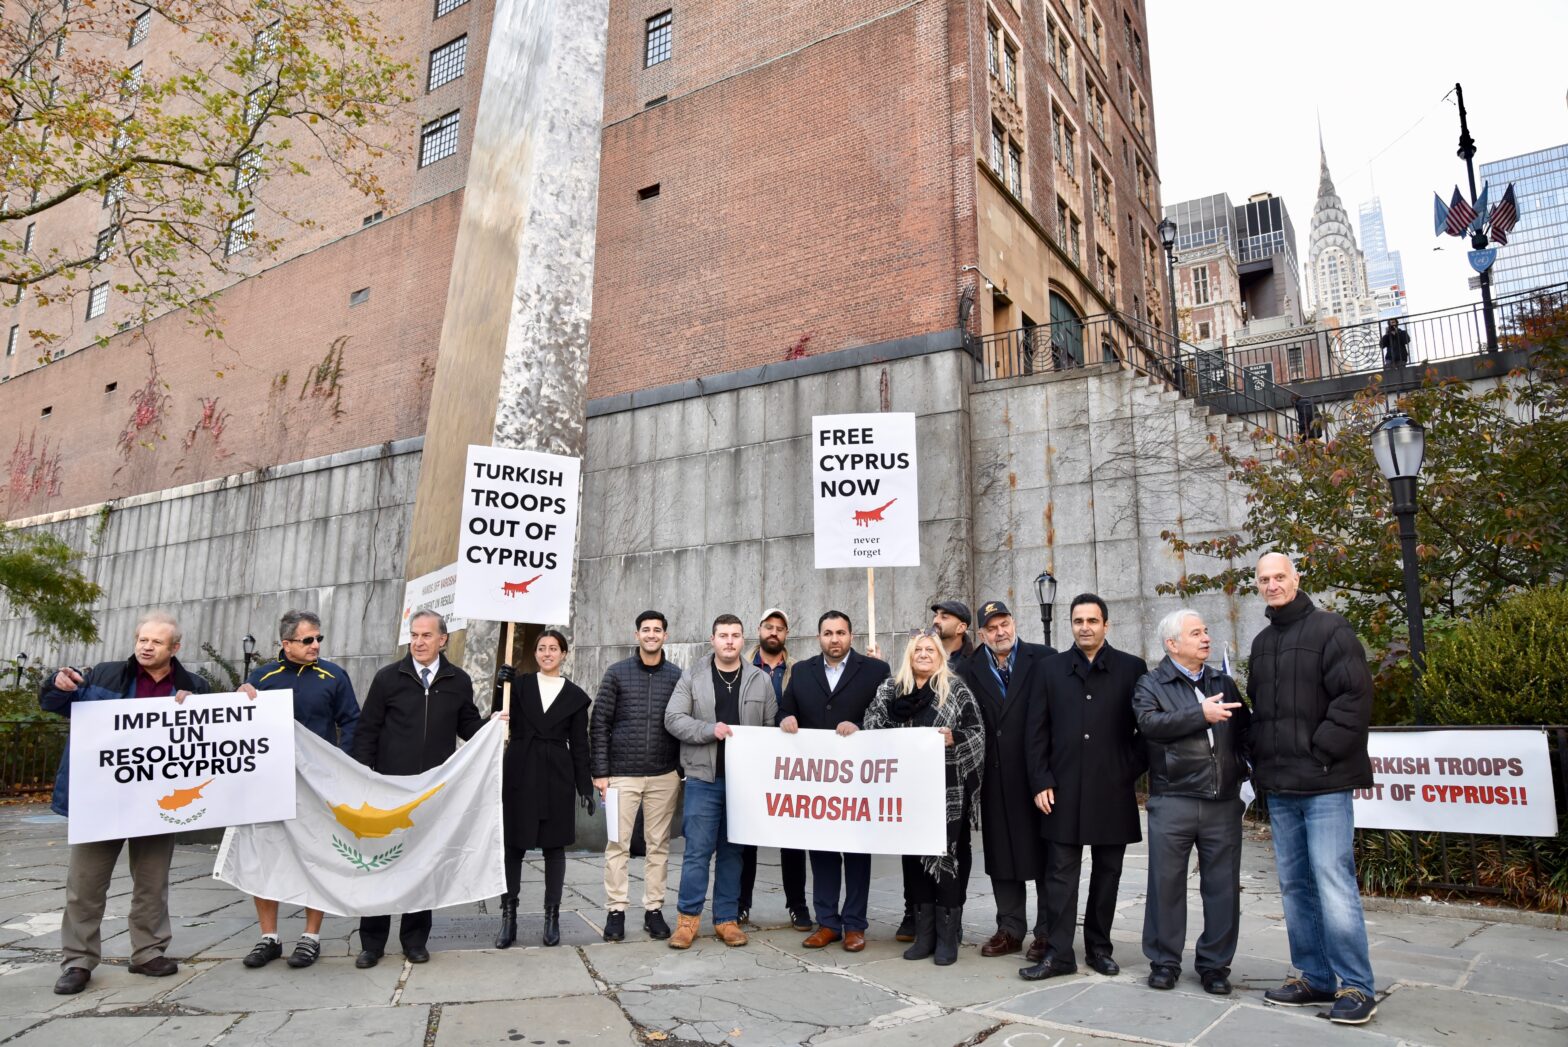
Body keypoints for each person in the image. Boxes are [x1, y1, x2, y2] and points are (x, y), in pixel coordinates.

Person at [42, 612, 235, 995]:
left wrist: (202, 708)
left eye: (156, 642)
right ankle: (78, 961)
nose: (146, 647)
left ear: (175, 647)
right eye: (142, 640)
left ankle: (148, 952)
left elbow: (217, 735)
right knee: (85, 885)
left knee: (152, 883)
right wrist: (55, 683)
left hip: (158, 804)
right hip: (101, 801)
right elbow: (55, 702)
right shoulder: (105, 675)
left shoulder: (194, 686)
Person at [1250, 552, 1378, 1025]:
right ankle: (1315, 976)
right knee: (1295, 885)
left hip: (1325, 783)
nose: (1272, 585)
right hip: (1282, 787)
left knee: (1332, 881)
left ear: (1296, 578)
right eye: (1264, 579)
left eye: (1279, 576)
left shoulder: (1331, 628)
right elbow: (1263, 712)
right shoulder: (1262, 642)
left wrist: (1320, 751)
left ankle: (1356, 986)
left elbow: (1354, 696)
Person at [1020, 593, 1147, 981]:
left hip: (1113, 790)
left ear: (1106, 625)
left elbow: (1147, 729)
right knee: (1060, 876)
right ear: (1071, 625)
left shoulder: (1132, 668)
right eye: (1078, 621)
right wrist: (1041, 780)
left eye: (1092, 621)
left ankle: (1099, 948)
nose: (1085, 627)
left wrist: (1126, 770)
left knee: (1108, 874)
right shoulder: (1049, 669)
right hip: (1062, 789)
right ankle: (1059, 954)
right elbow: (1035, 732)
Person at [351, 610, 485, 968]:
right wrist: (363, 778)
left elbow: (469, 727)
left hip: (432, 793)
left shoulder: (458, 681)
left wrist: (496, 722)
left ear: (443, 640)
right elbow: (367, 730)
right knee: (381, 864)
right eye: (414, 635)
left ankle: (414, 940)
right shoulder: (387, 678)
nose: (418, 642)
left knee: (422, 864)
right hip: (389, 789)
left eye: (426, 635)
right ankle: (372, 943)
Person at [1133, 609, 1250, 996]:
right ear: (1172, 644)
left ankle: (1215, 965)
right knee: (1165, 885)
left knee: (1223, 888)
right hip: (1174, 798)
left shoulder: (1223, 681)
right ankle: (1164, 962)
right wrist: (1199, 714)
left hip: (1223, 802)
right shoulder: (1151, 683)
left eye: (1205, 631)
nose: (1206, 638)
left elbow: (1245, 731)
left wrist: (1244, 772)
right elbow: (1150, 725)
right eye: (1196, 633)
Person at [241, 609, 359, 970]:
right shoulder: (261, 678)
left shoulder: (334, 676)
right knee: (265, 858)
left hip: (316, 784)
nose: (316, 645)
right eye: (308, 639)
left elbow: (352, 722)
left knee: (316, 856)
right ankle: (269, 938)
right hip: (268, 783)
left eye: (319, 638)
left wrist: (339, 766)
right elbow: (240, 726)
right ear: (286, 643)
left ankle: (311, 937)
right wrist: (239, 699)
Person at [864, 632, 984, 966]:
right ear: (909, 655)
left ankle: (947, 938)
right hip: (906, 790)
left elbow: (977, 733)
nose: (924, 654)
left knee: (945, 859)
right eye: (918, 649)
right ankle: (924, 935)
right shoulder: (892, 689)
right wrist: (892, 726)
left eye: (930, 649)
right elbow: (871, 723)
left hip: (947, 790)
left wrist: (954, 738)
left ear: (941, 656)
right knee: (914, 862)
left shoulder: (955, 690)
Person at [663, 614, 777, 949]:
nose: (729, 641)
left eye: (735, 635)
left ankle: (726, 919)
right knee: (697, 852)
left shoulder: (760, 680)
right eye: (723, 635)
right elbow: (673, 718)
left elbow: (770, 728)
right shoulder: (693, 676)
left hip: (742, 782)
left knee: (732, 853)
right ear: (712, 639)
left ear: (743, 640)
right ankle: (687, 920)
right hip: (703, 778)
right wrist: (707, 730)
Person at [779, 610, 890, 952]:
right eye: (828, 633)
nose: (834, 639)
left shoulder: (875, 670)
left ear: (851, 636)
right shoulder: (802, 671)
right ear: (819, 638)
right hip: (818, 782)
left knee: (857, 854)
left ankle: (855, 925)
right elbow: (784, 709)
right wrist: (787, 718)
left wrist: (862, 727)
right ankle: (827, 922)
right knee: (822, 853)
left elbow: (889, 715)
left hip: (858, 780)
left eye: (840, 632)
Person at [960, 600, 1055, 962]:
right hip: (994, 777)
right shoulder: (967, 669)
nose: (1000, 632)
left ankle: (1047, 932)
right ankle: (1010, 929)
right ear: (981, 633)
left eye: (1005, 624)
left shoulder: (1044, 659)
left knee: (1046, 856)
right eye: (992, 627)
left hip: (1038, 775)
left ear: (1014, 623)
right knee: (1002, 855)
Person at [491, 629, 593, 949]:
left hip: (556, 775)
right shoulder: (519, 685)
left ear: (563, 654)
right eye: (541, 648)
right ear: (535, 653)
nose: (547, 653)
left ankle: (552, 916)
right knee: (513, 846)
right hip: (520, 770)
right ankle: (509, 916)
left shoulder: (575, 697)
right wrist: (500, 686)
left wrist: (585, 786)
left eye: (553, 648)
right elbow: (501, 716)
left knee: (554, 847)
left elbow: (580, 745)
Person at [591, 609, 683, 943]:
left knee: (658, 845)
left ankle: (653, 910)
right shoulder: (617, 673)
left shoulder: (677, 676)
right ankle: (615, 910)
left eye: (657, 630)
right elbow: (599, 723)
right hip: (622, 776)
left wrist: (680, 770)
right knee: (618, 844)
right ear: (637, 635)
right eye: (646, 629)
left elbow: (683, 721)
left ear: (665, 636)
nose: (651, 634)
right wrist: (601, 772)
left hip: (663, 775)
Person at [737, 608, 810, 930]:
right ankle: (741, 904)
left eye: (780, 628)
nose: (774, 632)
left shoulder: (800, 670)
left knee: (792, 837)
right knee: (746, 837)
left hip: (789, 763)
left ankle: (797, 905)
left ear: (786, 634)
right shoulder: (742, 667)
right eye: (769, 626)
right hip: (751, 761)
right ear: (759, 629)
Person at [931, 600, 974, 669]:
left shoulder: (973, 663)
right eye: (935, 616)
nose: (935, 621)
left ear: (961, 628)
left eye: (944, 617)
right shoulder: (922, 654)